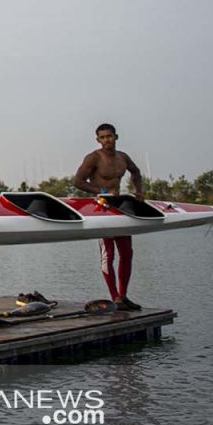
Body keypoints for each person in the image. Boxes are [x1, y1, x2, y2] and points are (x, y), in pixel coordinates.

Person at [73, 123, 145, 311]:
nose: (107, 140)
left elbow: (136, 172)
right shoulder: (93, 158)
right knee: (108, 255)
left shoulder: (123, 157)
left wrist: (139, 191)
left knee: (127, 253)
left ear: (116, 137)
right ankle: (114, 297)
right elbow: (77, 181)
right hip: (101, 208)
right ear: (98, 140)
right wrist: (101, 190)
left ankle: (123, 296)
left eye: (110, 136)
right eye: (103, 137)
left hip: (119, 207)